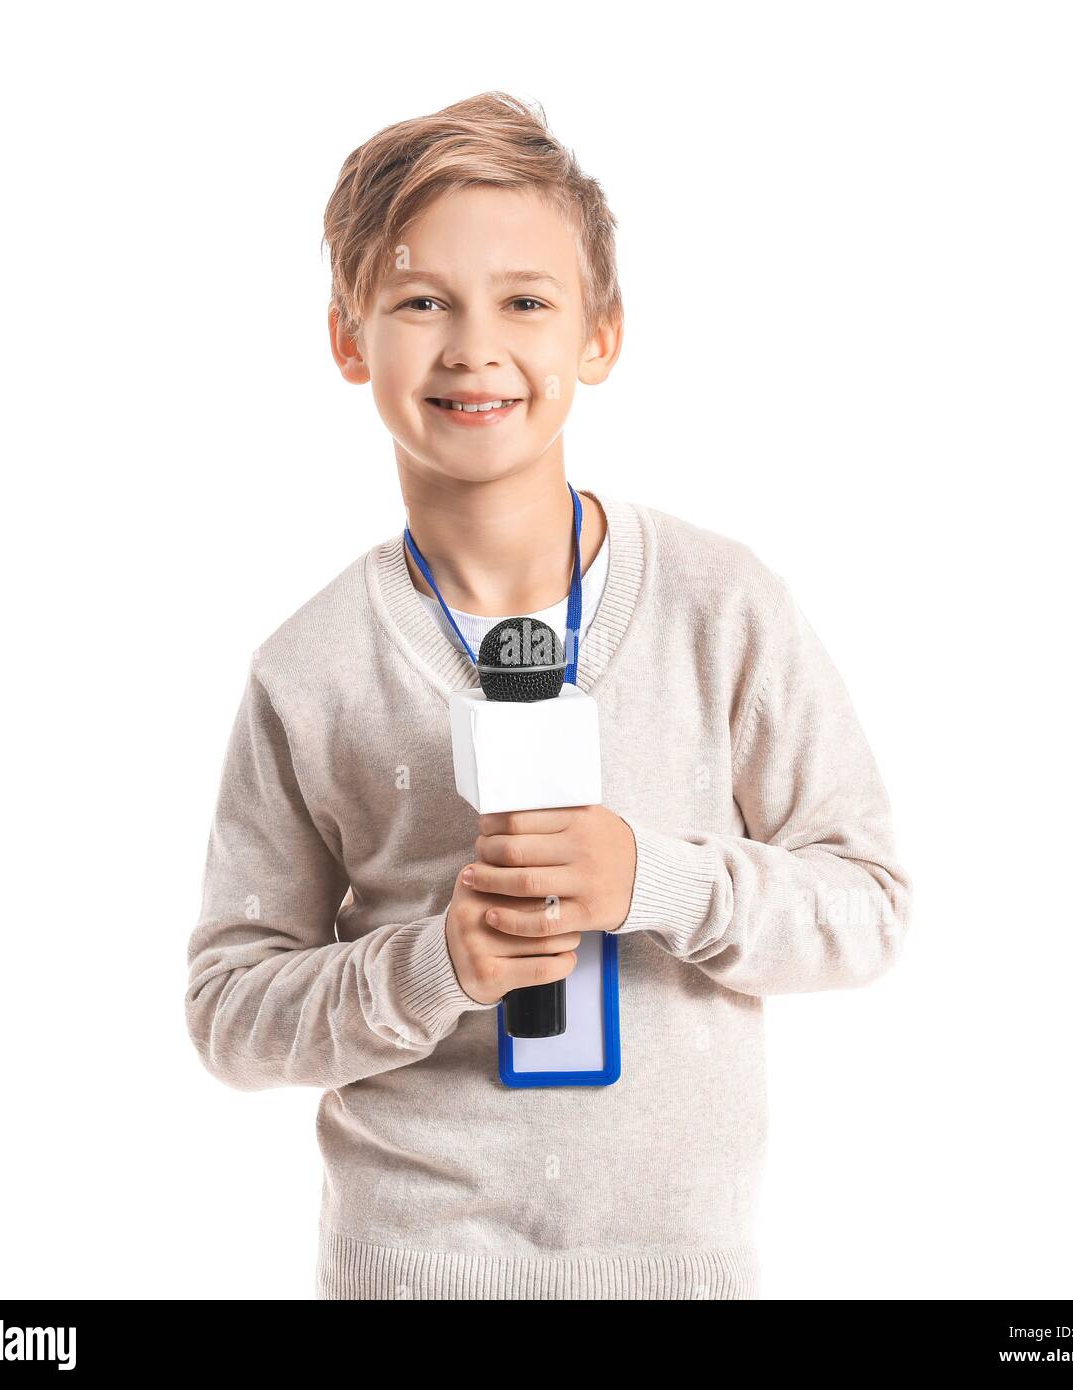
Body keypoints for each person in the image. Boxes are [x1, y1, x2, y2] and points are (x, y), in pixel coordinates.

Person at [184, 90, 912, 1301]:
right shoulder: (305, 668)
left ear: (599, 335)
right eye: (422, 300)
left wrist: (657, 878)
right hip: (410, 1266)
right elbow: (229, 1010)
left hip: (679, 1270)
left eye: (524, 300)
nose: (474, 346)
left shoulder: (719, 606)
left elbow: (868, 906)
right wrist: (432, 967)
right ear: (348, 337)